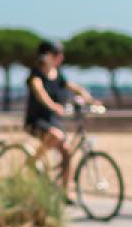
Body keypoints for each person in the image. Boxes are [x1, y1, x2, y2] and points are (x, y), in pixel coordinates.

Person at [24, 39, 100, 185]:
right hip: (36, 120)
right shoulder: (36, 75)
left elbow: (75, 87)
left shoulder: (58, 75)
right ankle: (33, 161)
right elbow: (39, 92)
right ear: (46, 56)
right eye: (57, 54)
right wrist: (53, 105)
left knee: (67, 152)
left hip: (52, 120)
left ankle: (65, 191)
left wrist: (91, 100)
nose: (61, 58)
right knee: (56, 135)